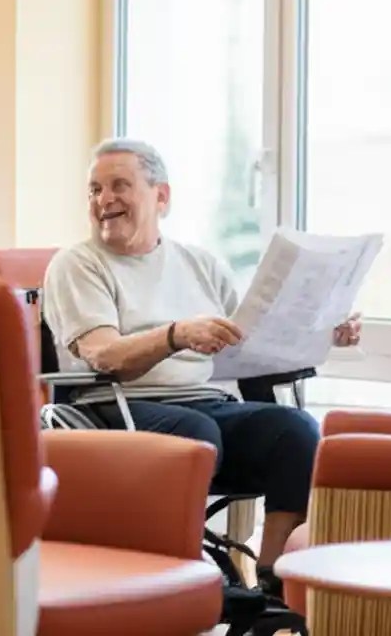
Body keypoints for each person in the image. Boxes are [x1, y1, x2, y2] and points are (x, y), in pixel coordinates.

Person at [41, 138, 362, 597]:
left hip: (202, 403)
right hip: (111, 408)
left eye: (119, 185)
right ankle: (179, 576)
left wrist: (326, 331)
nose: (104, 199)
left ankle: (271, 582)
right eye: (95, 189)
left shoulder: (199, 263)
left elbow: (252, 342)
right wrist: (176, 335)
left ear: (161, 196)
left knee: (295, 431)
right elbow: (104, 355)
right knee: (196, 433)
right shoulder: (77, 264)